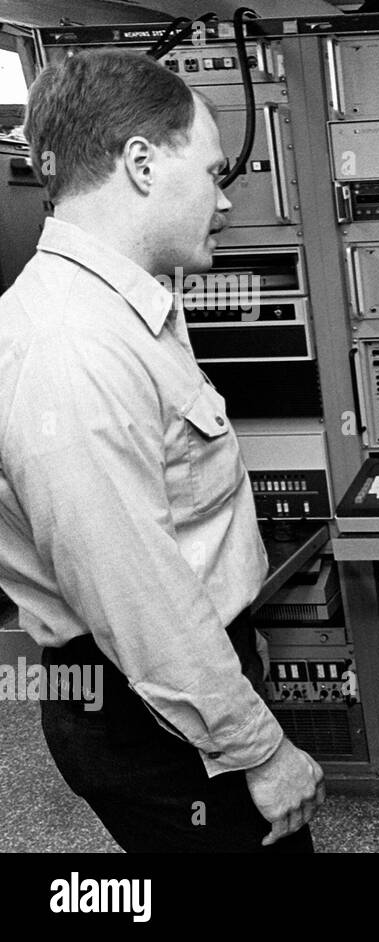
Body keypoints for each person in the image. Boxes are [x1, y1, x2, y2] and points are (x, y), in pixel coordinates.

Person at [0, 50, 324, 852]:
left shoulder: (114, 314)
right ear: (141, 164)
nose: (224, 200)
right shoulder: (73, 346)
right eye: (214, 174)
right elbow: (136, 597)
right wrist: (261, 750)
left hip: (171, 692)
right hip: (151, 710)